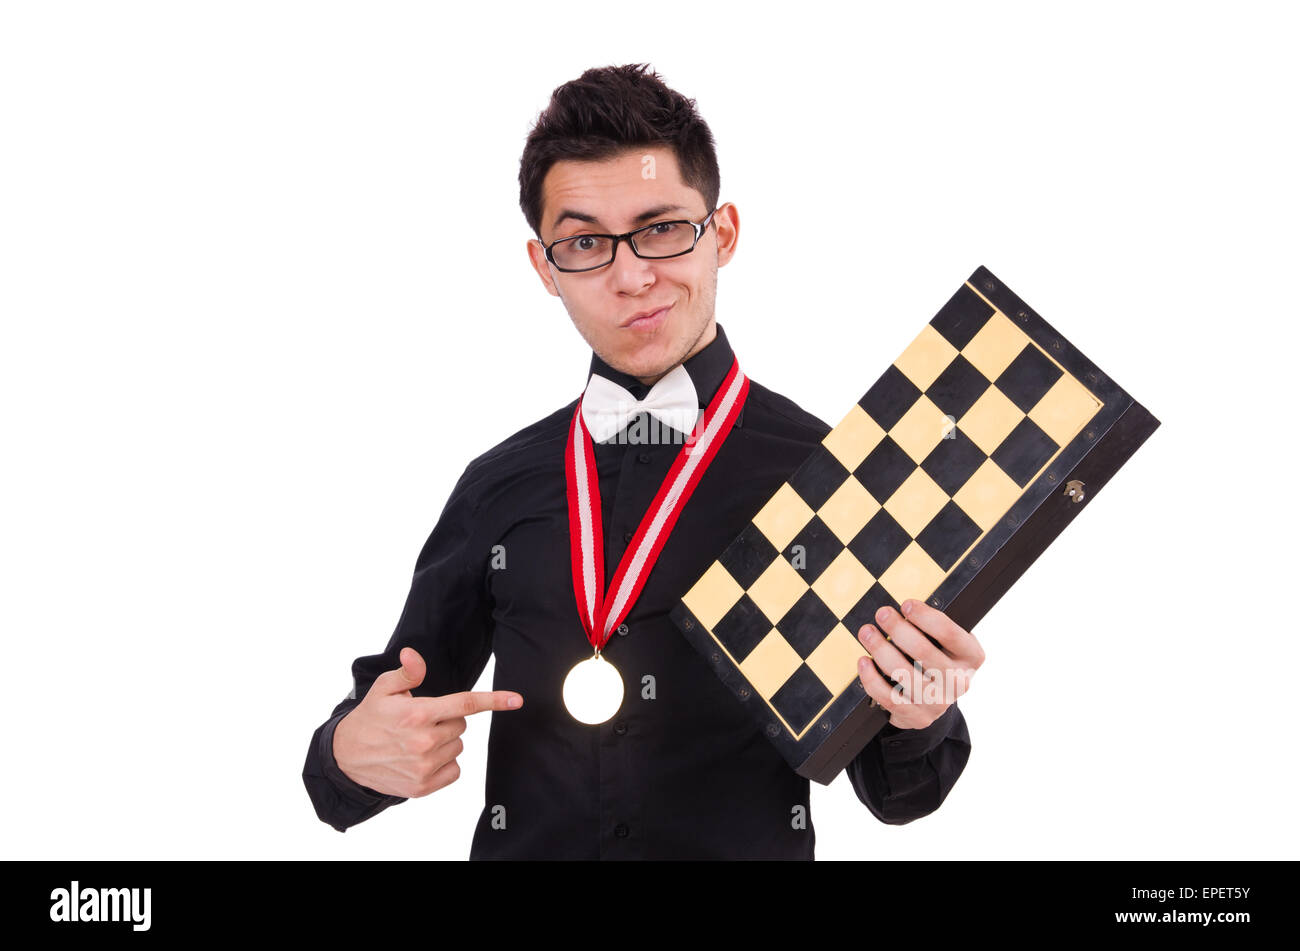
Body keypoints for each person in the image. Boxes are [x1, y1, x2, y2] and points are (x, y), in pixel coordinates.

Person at [302, 63, 982, 859]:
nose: (632, 277)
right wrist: (351, 750)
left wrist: (921, 706)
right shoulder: (497, 485)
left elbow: (902, 793)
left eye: (662, 228)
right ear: (544, 268)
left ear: (721, 233)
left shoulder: (831, 474)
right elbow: (371, 735)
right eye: (586, 242)